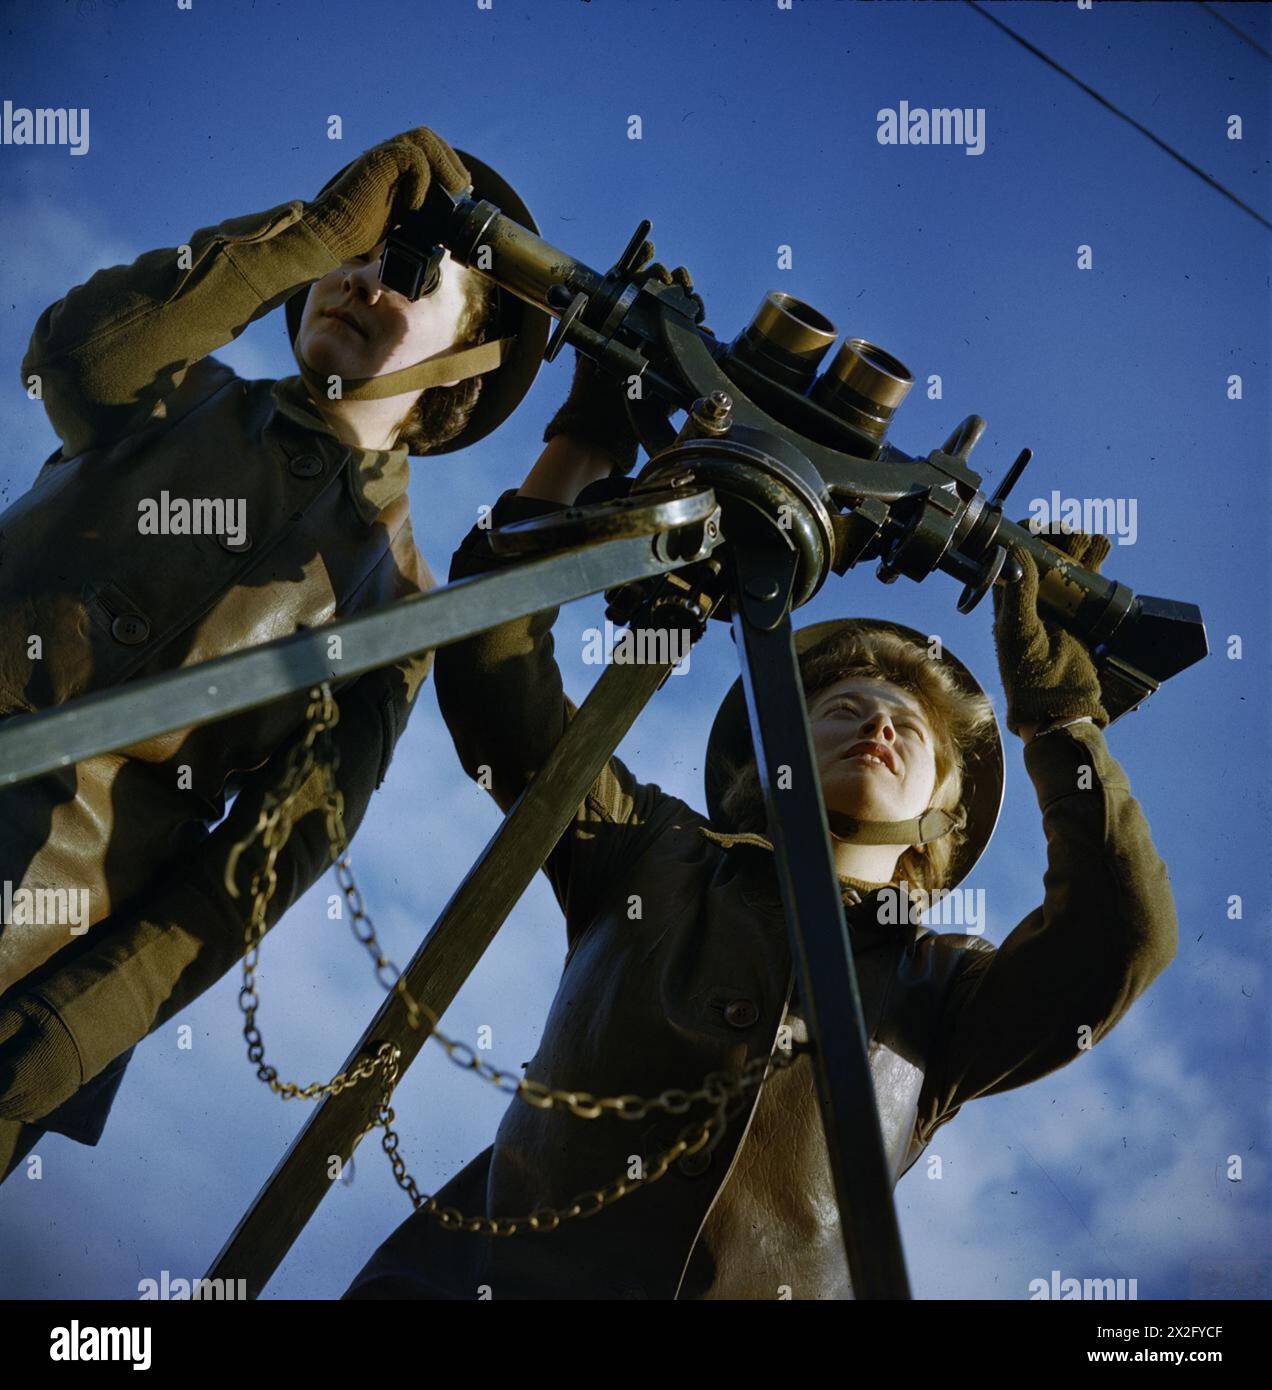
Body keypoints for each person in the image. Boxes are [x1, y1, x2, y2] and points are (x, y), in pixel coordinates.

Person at [344, 385, 1179, 1299]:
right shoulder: (649, 852)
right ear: (766, 754)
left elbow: (1118, 939)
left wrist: (1063, 721)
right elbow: (494, 671)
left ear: (945, 811)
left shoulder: (943, 997)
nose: (878, 727)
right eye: (844, 708)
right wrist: (586, 450)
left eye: (912, 731)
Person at [0, 126, 547, 1180]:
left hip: (29, 940)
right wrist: (316, 231)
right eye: (351, 254)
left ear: (464, 370)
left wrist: (73, 1032)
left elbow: (253, 868)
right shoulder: (176, 389)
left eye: (403, 268)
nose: (355, 279)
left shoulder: (393, 610)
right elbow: (73, 354)